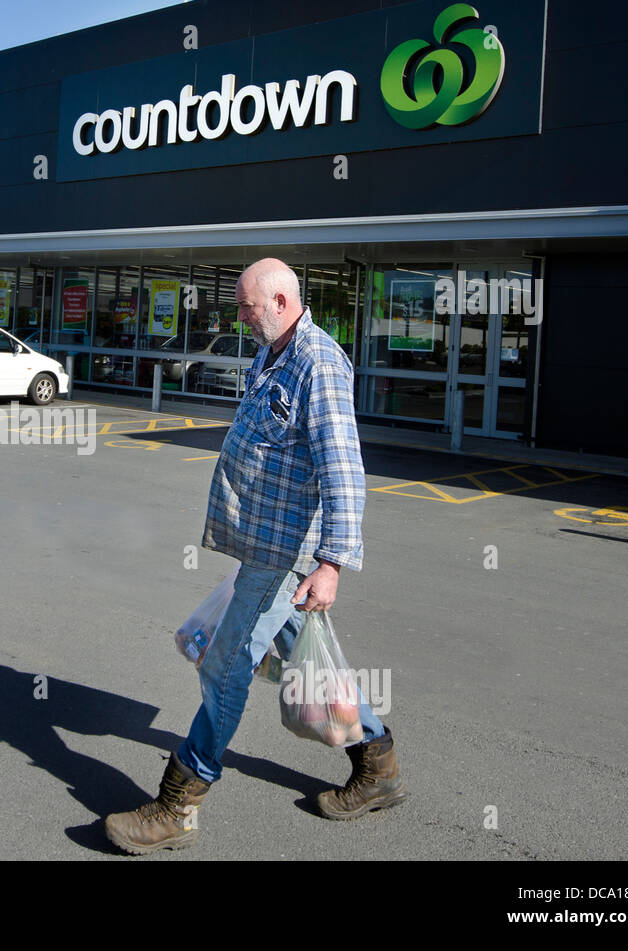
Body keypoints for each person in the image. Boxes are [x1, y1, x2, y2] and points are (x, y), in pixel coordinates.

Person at [104, 258, 407, 855]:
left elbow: (343, 470)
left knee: (226, 664)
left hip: (286, 554)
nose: (239, 317)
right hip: (262, 546)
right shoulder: (274, 353)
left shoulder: (317, 363)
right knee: (308, 658)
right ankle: (378, 765)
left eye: (246, 306)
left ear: (280, 300)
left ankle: (178, 805)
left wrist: (332, 563)